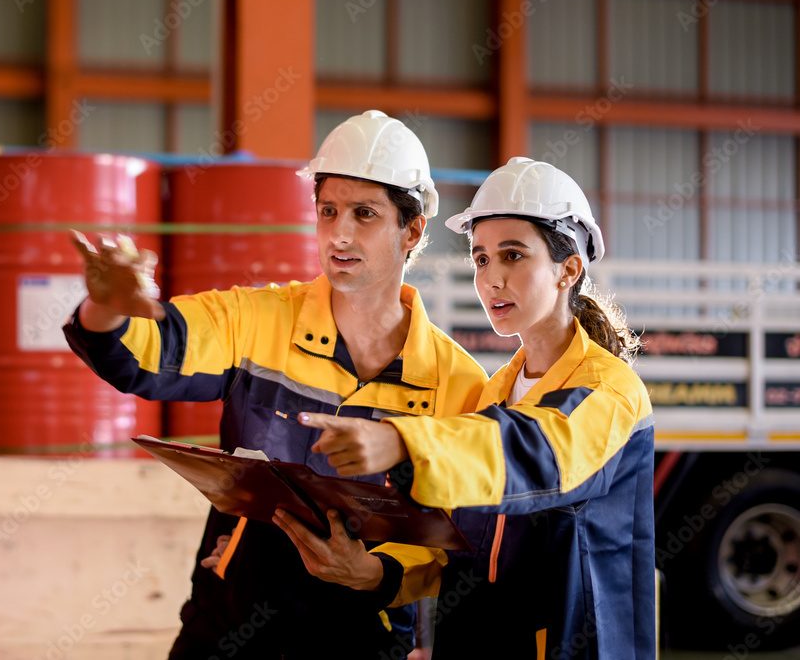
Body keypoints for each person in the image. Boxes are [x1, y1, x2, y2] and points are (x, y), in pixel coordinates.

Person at [63, 110, 490, 659]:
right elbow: (150, 354)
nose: (339, 233)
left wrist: (373, 572)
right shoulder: (258, 320)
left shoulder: (460, 386)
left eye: (364, 214)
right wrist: (106, 307)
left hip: (362, 637)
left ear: (412, 230)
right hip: (230, 627)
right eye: (328, 211)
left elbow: (460, 536)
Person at [274, 157, 655, 659]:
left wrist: (403, 440)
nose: (491, 279)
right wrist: (381, 575)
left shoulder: (609, 392)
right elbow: (458, 538)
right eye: (480, 259)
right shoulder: (495, 390)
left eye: (513, 256)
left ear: (568, 269)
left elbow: (534, 452)